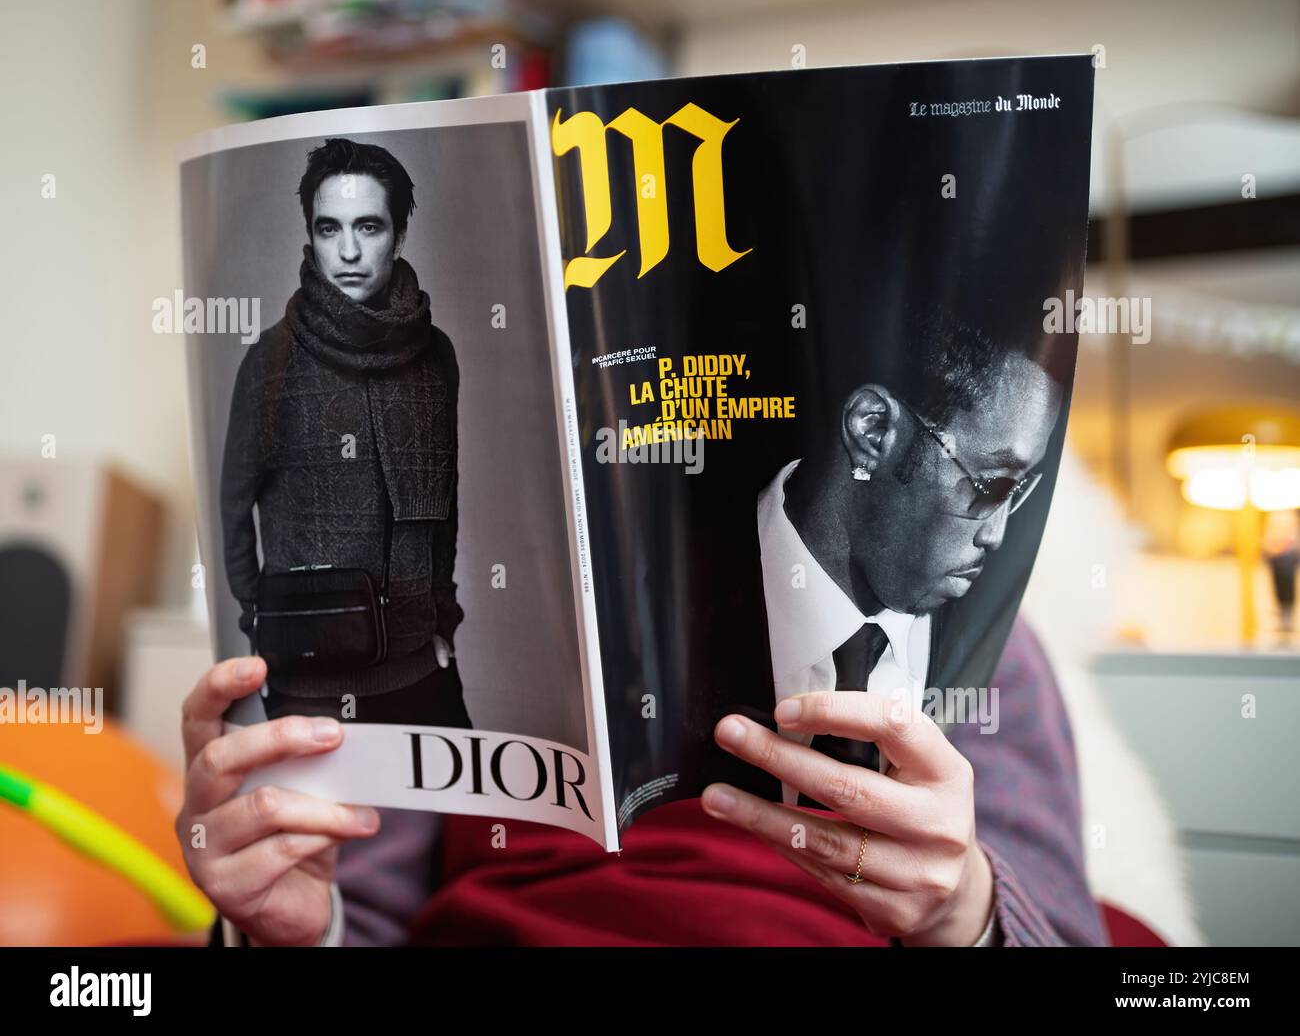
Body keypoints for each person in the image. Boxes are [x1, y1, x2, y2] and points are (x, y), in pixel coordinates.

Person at [176, 616, 1108, 947]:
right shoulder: (451, 629)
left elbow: (1056, 924)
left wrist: (966, 915)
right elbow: (362, 915)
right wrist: (298, 930)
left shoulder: (965, 619)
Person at [219, 138, 471, 728]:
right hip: (308, 675)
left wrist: (442, 619)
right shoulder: (271, 358)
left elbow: (445, 505)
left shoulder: (436, 356)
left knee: (448, 821)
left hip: (417, 665)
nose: (350, 251)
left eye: (369, 227)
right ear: (310, 237)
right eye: (330, 229)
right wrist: (261, 621)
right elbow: (233, 508)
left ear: (399, 236)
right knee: (315, 822)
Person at [756, 318, 1062, 802]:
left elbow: (1051, 870)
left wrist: (972, 878)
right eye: (993, 484)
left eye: (1019, 491)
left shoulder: (1005, 650)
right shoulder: (650, 597)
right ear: (873, 430)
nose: (997, 535)